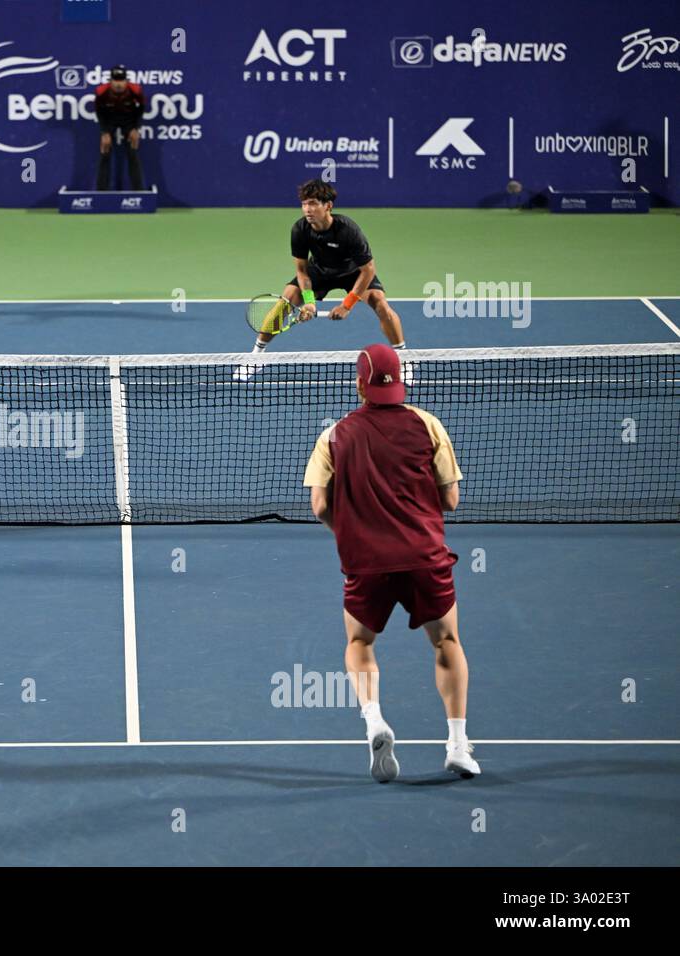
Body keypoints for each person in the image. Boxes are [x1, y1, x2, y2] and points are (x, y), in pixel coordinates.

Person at [303, 344, 479, 783]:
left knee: (360, 644)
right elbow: (451, 500)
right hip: (425, 557)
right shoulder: (428, 425)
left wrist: (349, 531)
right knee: (447, 643)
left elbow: (320, 504)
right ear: (399, 381)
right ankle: (458, 745)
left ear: (360, 383)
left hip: (366, 562)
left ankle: (374, 720)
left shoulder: (335, 435)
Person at [255, 180, 403, 353]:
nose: (307, 209)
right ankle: (255, 357)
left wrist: (347, 305)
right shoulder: (300, 229)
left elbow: (368, 269)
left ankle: (403, 357)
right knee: (284, 303)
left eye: (313, 204)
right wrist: (309, 302)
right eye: (304, 204)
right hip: (319, 271)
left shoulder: (348, 230)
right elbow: (302, 270)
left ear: (328, 206)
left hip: (352, 272)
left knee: (380, 303)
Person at [94, 65, 145, 190]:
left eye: (121, 80)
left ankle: (139, 194)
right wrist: (104, 132)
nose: (118, 84)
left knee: (132, 152)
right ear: (110, 81)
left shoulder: (136, 90)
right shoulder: (101, 91)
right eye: (115, 80)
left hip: (128, 119)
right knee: (105, 152)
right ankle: (101, 194)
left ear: (126, 81)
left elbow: (141, 108)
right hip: (109, 119)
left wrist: (135, 128)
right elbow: (99, 112)